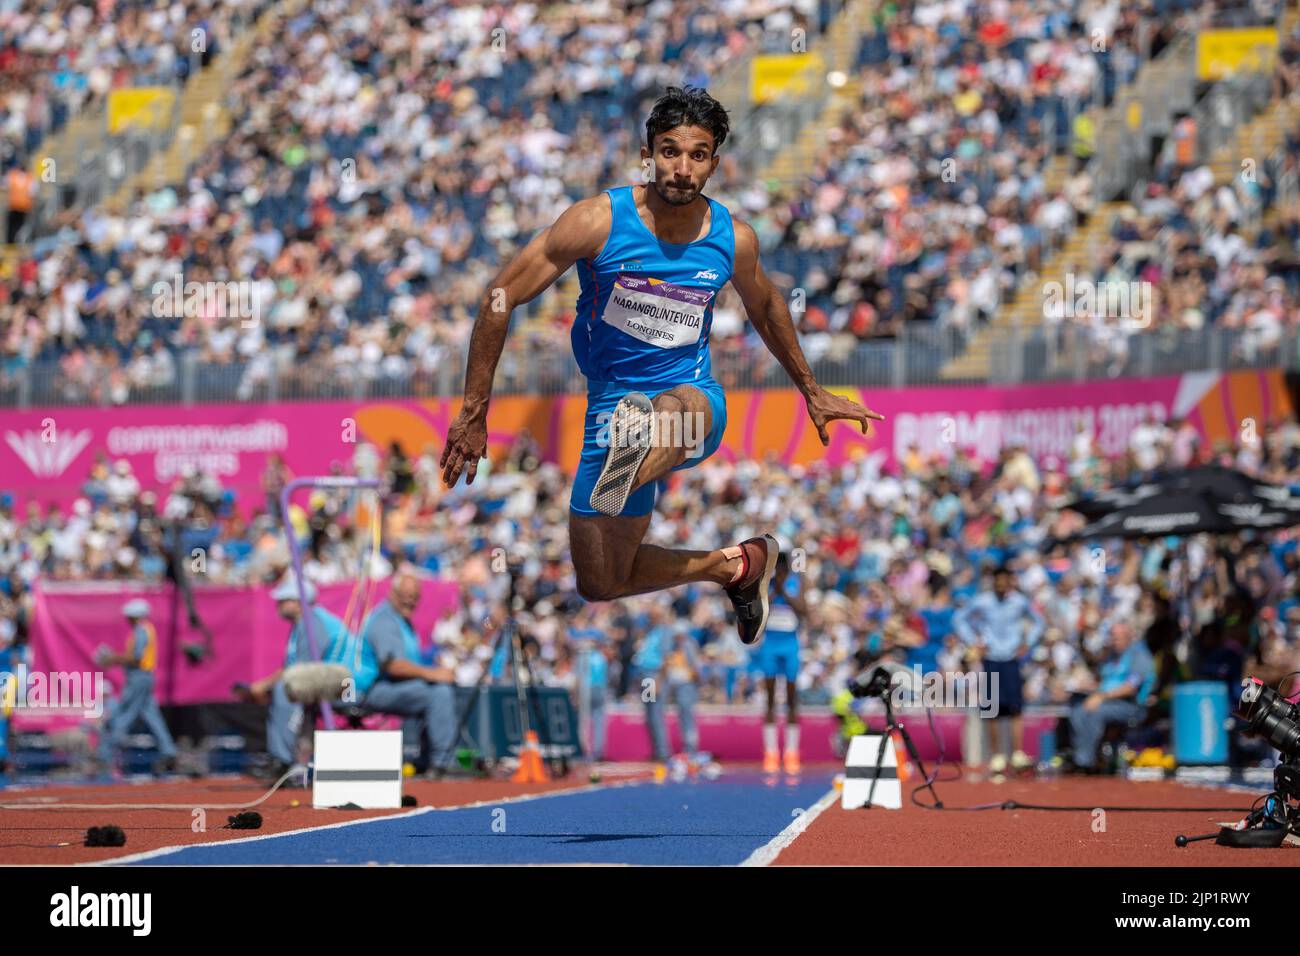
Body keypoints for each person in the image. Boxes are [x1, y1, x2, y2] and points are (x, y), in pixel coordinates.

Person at [439, 85, 883, 646]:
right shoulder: (595, 221)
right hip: (609, 406)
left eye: (697, 155)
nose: (681, 167)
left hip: (689, 396)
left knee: (677, 408)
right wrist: (474, 412)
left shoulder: (731, 239)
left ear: (714, 164)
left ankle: (636, 446)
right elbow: (499, 297)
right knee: (601, 581)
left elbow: (768, 306)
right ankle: (736, 566)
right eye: (670, 151)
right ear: (649, 151)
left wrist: (812, 390)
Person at [238, 578, 351, 780]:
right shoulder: (302, 624)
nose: (278, 604)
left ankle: (283, 759)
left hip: (346, 685)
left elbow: (300, 672)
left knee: (286, 689)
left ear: (298, 602)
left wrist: (264, 685)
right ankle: (288, 757)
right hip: (326, 679)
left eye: (283, 600)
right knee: (284, 688)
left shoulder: (312, 623)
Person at [356, 571, 458, 776]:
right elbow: (393, 666)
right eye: (405, 595)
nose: (410, 601)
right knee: (438, 693)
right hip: (369, 690)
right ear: (392, 593)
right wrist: (434, 674)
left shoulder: (402, 620)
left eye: (414, 597)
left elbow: (409, 663)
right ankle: (442, 762)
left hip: (390, 686)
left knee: (435, 688)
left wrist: (433, 666)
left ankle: (427, 757)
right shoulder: (384, 620)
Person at [952, 565, 1045, 775]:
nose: (1002, 585)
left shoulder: (1020, 601)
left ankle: (1017, 753)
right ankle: (997, 756)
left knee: (1015, 708)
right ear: (993, 582)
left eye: (1006, 581)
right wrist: (973, 641)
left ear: (1011, 582)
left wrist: (1027, 642)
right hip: (992, 658)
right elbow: (959, 618)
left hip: (1011, 657)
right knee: (993, 709)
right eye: (999, 581)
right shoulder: (983, 601)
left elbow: (1039, 622)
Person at [95, 599, 178, 774]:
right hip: (144, 677)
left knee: (123, 714)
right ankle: (169, 751)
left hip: (138, 677)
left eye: (129, 616)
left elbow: (136, 658)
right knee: (152, 716)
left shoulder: (141, 631)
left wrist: (112, 659)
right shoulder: (146, 629)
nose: (127, 619)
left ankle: (104, 755)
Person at [1066, 620, 1155, 772]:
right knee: (1078, 710)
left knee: (1095, 712)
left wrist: (1101, 697)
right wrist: (1085, 687)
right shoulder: (1111, 657)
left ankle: (1086, 762)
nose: (1114, 641)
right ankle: (1081, 757)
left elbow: (1131, 687)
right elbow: (1103, 681)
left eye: (1117, 637)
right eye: (1112, 637)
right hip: (1108, 701)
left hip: (1131, 706)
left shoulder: (1139, 655)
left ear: (1129, 636)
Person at [751, 553, 806, 774]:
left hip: (790, 643)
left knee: (792, 699)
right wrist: (775, 589)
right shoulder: (765, 585)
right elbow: (758, 609)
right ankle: (771, 752)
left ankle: (792, 752)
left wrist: (785, 590)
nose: (780, 572)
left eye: (782, 568)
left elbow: (803, 609)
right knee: (771, 699)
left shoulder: (797, 582)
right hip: (770, 644)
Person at [635, 607, 701, 764]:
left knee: (655, 711)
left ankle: (662, 751)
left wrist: (659, 679)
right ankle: (656, 749)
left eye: (652, 616)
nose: (650, 619)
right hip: (646, 676)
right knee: (649, 712)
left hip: (653, 675)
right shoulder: (650, 632)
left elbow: (666, 658)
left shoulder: (663, 632)